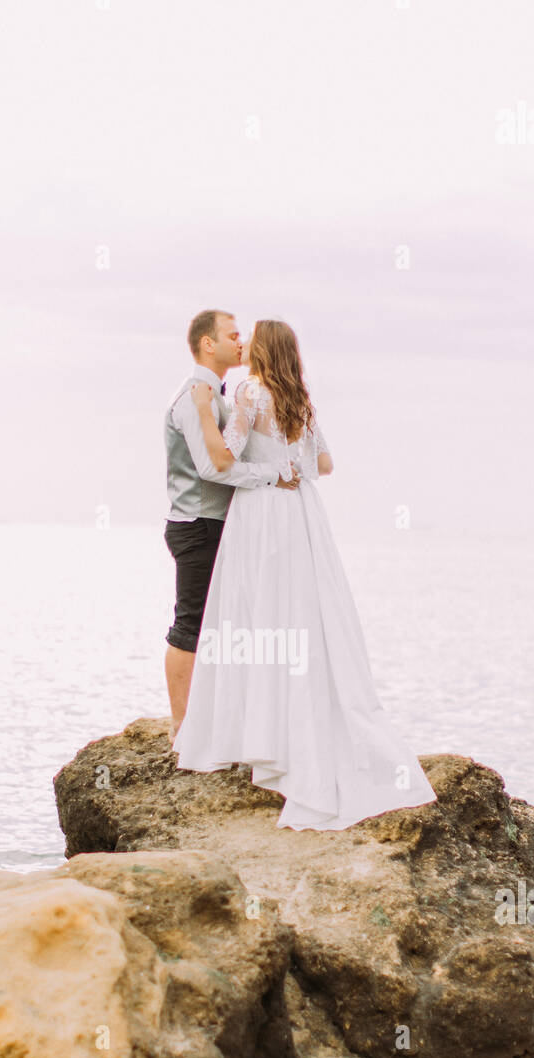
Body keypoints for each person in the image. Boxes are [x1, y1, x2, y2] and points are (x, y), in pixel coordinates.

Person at [172, 318, 438, 831]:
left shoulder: (251, 392)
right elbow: (326, 464)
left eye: (251, 338)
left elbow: (225, 452)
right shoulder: (301, 399)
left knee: (256, 614)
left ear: (264, 350)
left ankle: (255, 734)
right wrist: (291, 466)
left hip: (261, 513)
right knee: (299, 614)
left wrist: (207, 414)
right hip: (302, 516)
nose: (243, 343)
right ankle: (288, 730)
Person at [163, 309, 300, 741]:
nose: (241, 342)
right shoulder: (193, 399)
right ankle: (181, 725)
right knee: (191, 624)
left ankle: (217, 716)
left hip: (220, 523)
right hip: (198, 523)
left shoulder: (221, 396)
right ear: (208, 343)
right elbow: (211, 469)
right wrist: (269, 476)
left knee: (222, 624)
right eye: (232, 335)